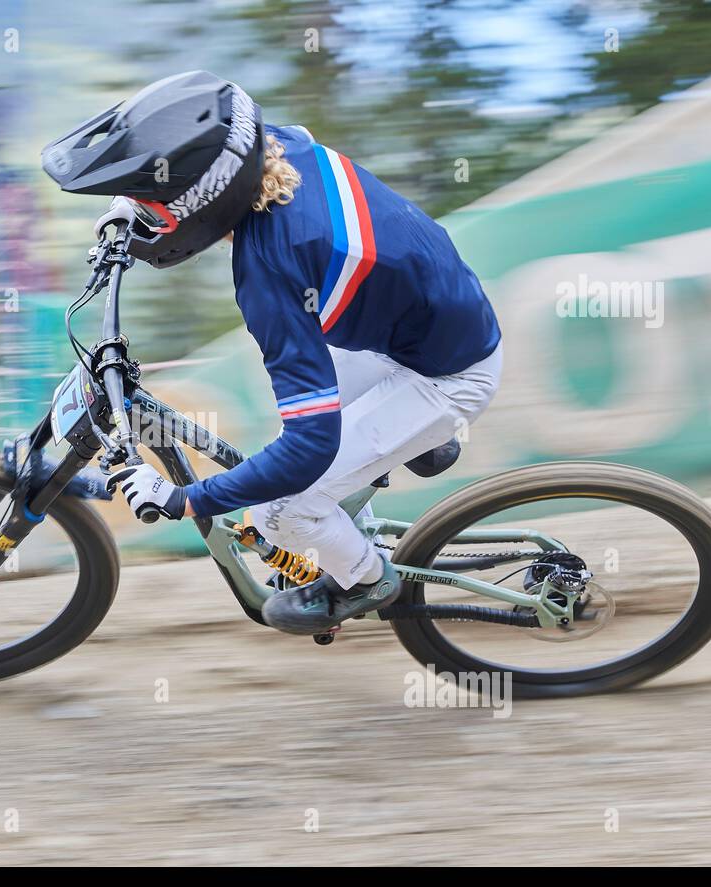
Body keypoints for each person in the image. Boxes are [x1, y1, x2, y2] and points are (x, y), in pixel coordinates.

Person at [41, 71, 502, 635]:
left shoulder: (269, 276)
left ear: (202, 203)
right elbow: (198, 162)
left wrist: (185, 499)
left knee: (279, 510)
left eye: (152, 208)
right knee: (298, 403)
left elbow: (309, 448)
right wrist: (127, 214)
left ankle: (362, 579)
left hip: (448, 376)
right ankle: (414, 448)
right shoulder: (282, 144)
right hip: (421, 324)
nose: (145, 217)